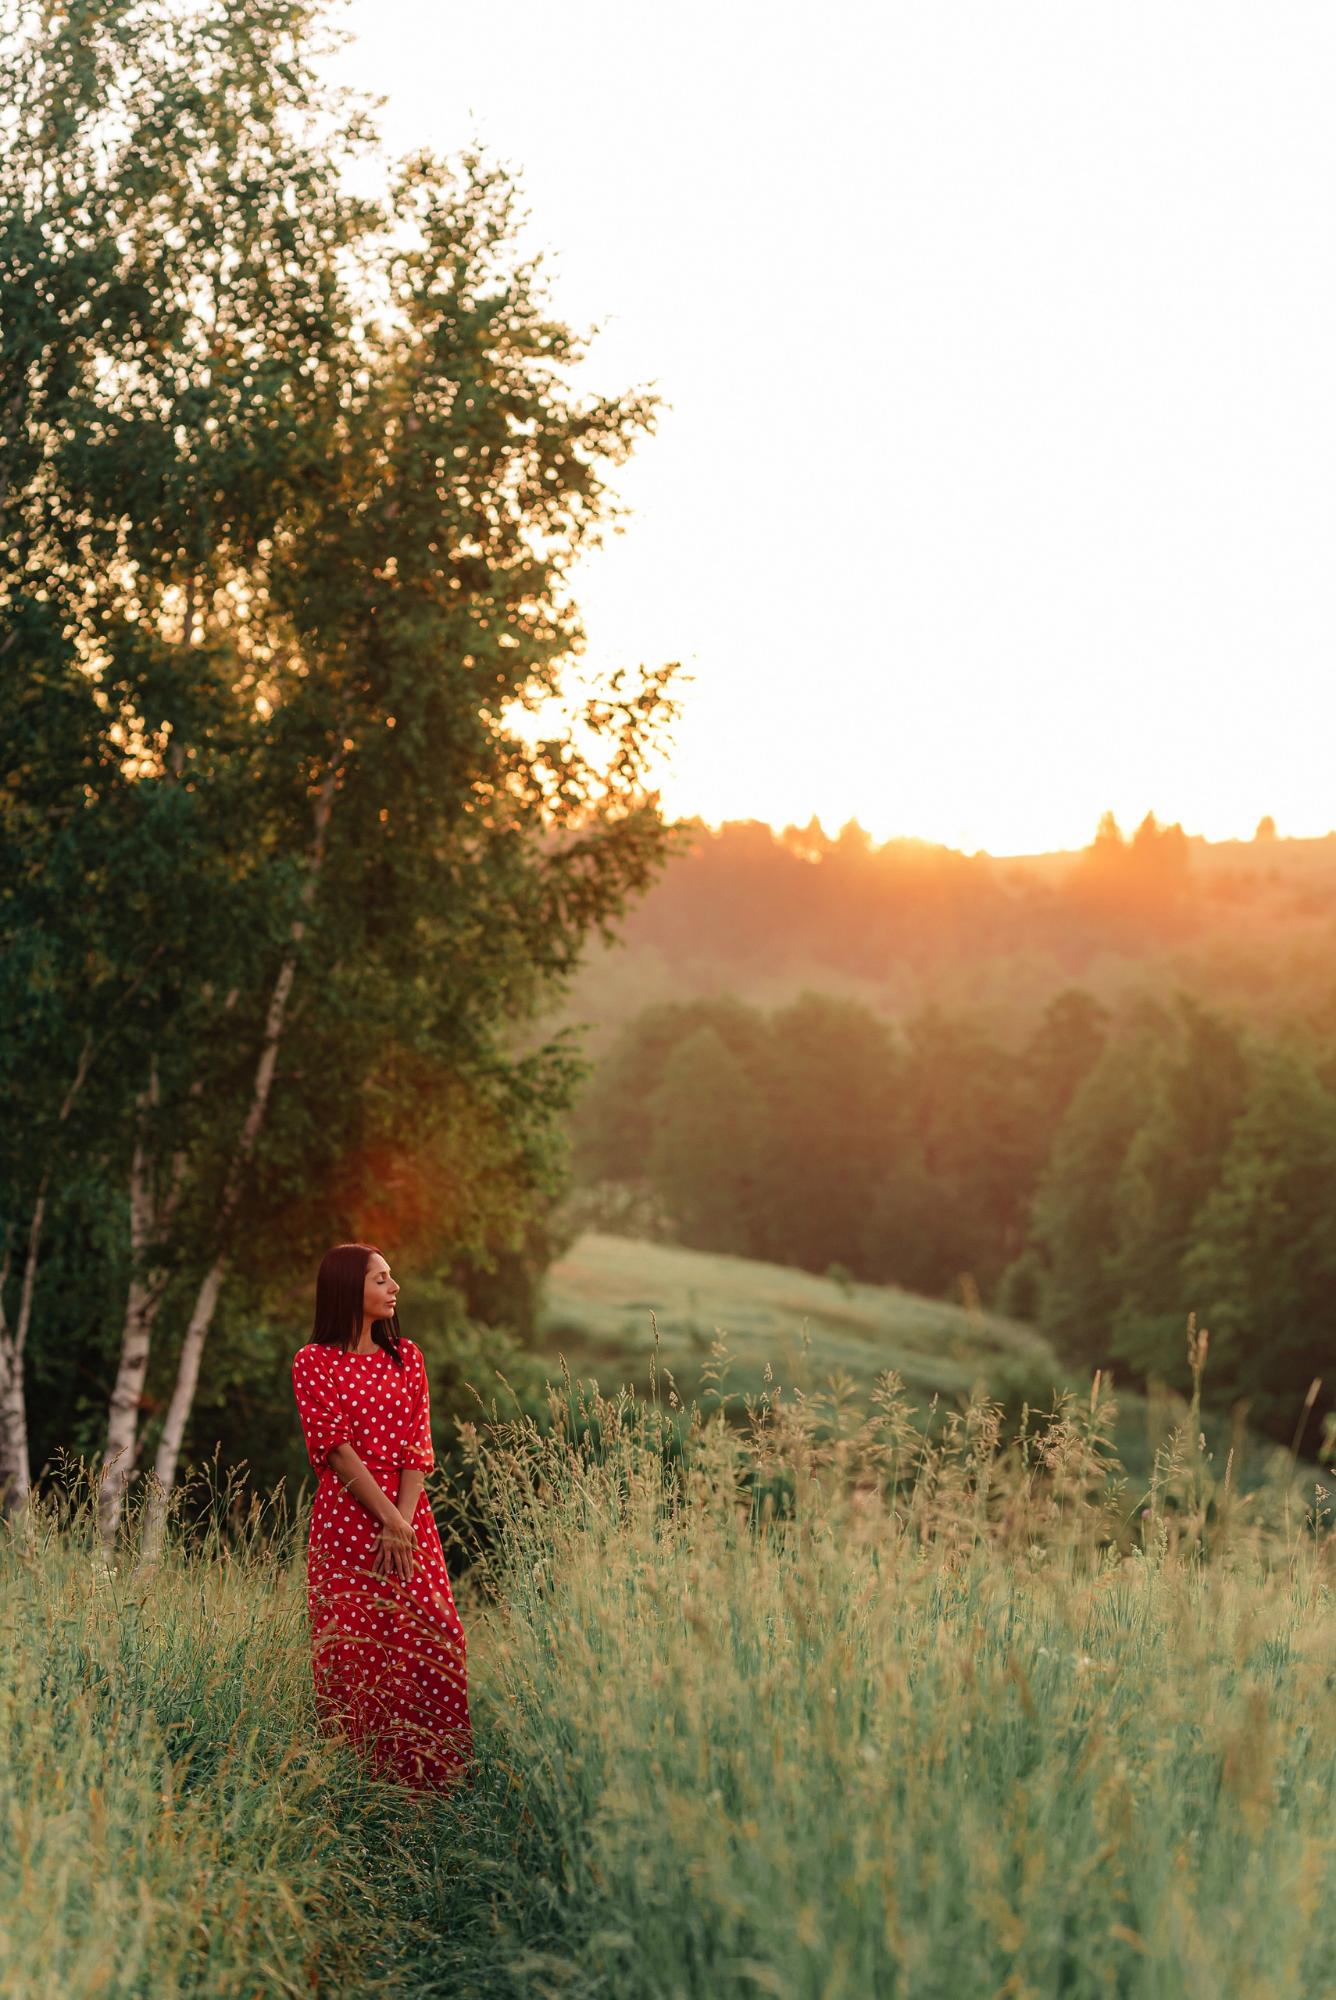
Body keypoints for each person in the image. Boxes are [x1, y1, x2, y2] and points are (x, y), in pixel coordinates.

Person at [291, 1242, 472, 1789]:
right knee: (359, 1650)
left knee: (436, 1637)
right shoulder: (313, 1362)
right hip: (348, 1522)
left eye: (392, 1279)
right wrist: (387, 1519)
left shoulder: (406, 1356)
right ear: (350, 1289)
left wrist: (404, 1521)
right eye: (382, 1279)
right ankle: (366, 1785)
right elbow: (336, 1448)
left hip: (410, 1522)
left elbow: (418, 1445)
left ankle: (436, 1782)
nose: (395, 1288)